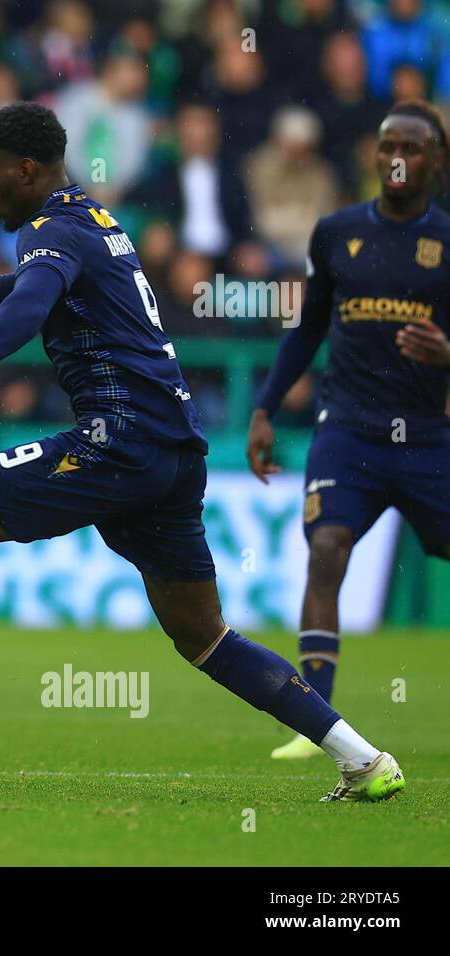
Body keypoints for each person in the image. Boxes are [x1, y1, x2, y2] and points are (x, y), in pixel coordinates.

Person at [0, 102, 405, 804]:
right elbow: (29, 293)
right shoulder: (93, 220)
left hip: (118, 440)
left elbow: (27, 309)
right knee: (205, 635)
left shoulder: (50, 230)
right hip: (173, 452)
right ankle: (363, 758)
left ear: (29, 171)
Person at [247, 100, 450, 760]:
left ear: (437, 163)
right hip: (349, 432)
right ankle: (318, 722)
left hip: (427, 434)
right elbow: (308, 328)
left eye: (413, 147)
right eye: (388, 143)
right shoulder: (335, 232)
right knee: (327, 547)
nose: (398, 156)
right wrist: (265, 407)